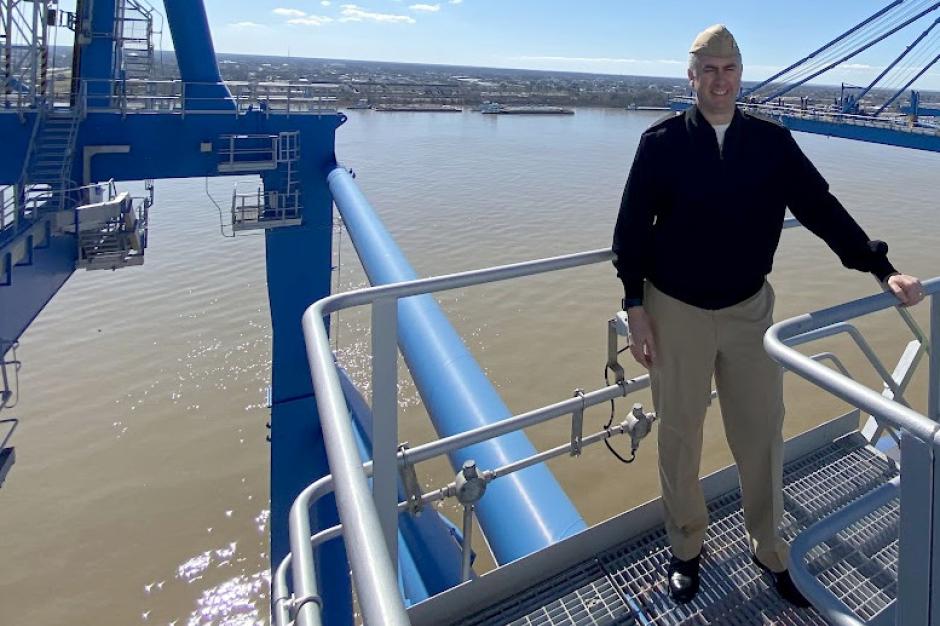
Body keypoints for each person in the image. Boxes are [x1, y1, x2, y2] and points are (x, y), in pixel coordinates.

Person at [611, 24, 924, 607]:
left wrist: (883, 270)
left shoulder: (772, 143)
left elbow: (820, 208)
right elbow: (630, 233)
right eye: (708, 69)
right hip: (674, 308)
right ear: (691, 76)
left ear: (741, 74)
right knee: (679, 435)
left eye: (729, 69)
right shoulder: (660, 145)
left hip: (749, 310)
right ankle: (686, 549)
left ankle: (771, 551)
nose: (720, 80)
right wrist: (636, 308)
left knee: (761, 434)